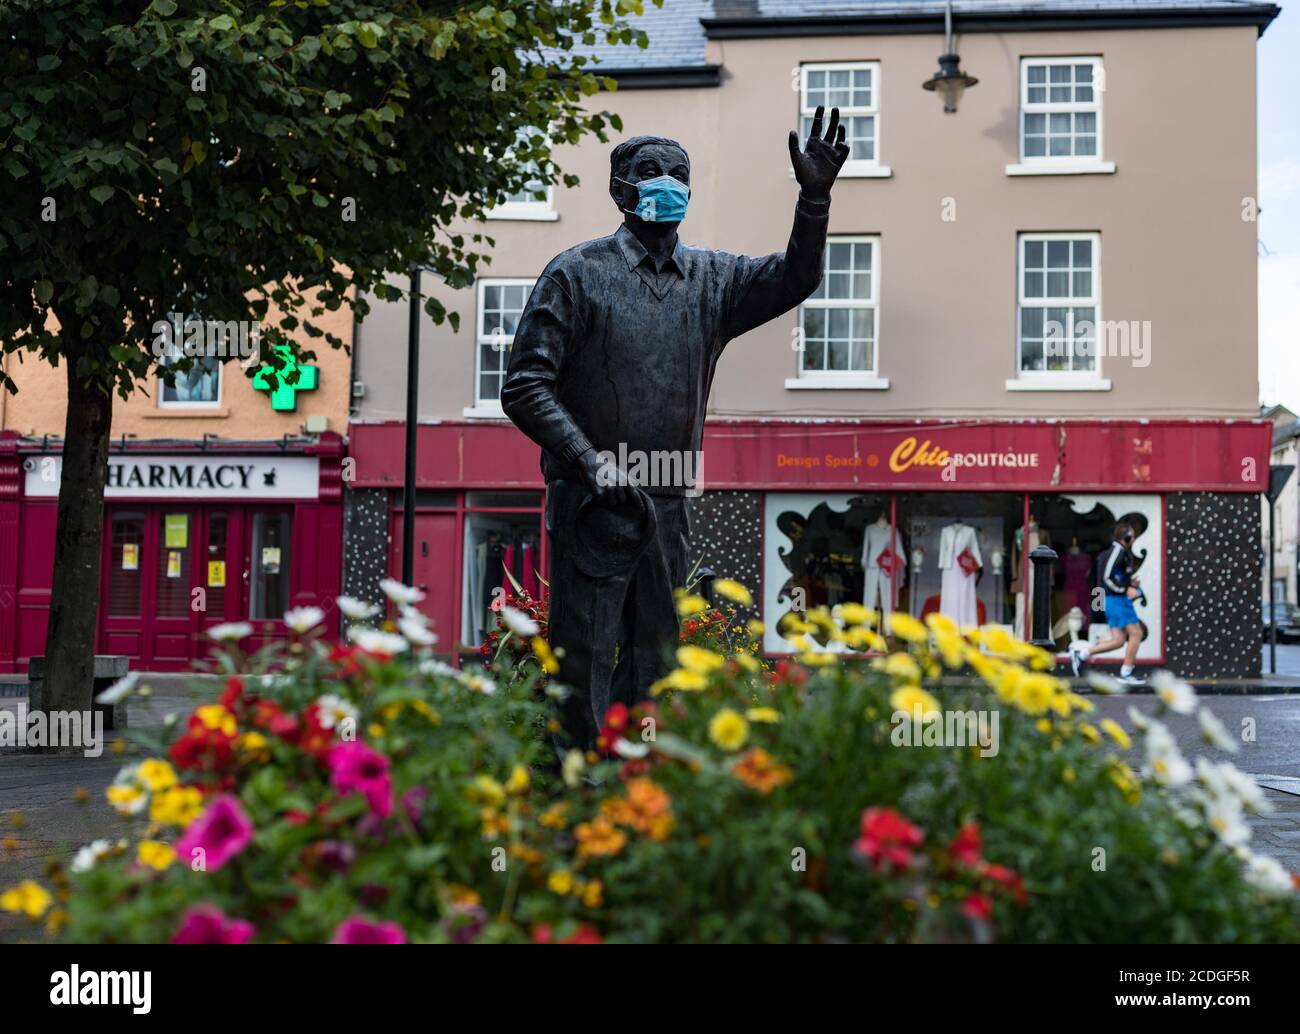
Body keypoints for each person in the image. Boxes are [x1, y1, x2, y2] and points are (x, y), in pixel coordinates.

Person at [502, 111, 850, 749]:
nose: (667, 182)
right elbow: (524, 385)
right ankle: (579, 799)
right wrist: (591, 463)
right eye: (651, 172)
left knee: (656, 662)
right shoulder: (576, 274)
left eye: (679, 174)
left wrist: (815, 198)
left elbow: (796, 278)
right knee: (584, 662)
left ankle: (644, 789)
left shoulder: (714, 281)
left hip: (666, 503)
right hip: (591, 501)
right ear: (620, 191)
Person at [1069, 522, 1144, 683]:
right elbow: (1106, 578)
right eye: (1132, 536)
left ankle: (1082, 654)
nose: (1134, 539)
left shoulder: (1114, 553)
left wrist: (1129, 585)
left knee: (1118, 640)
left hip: (1113, 600)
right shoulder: (1118, 551)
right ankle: (1126, 674)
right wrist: (1125, 590)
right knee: (1136, 633)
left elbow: (1105, 579)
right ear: (1127, 537)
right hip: (1117, 600)